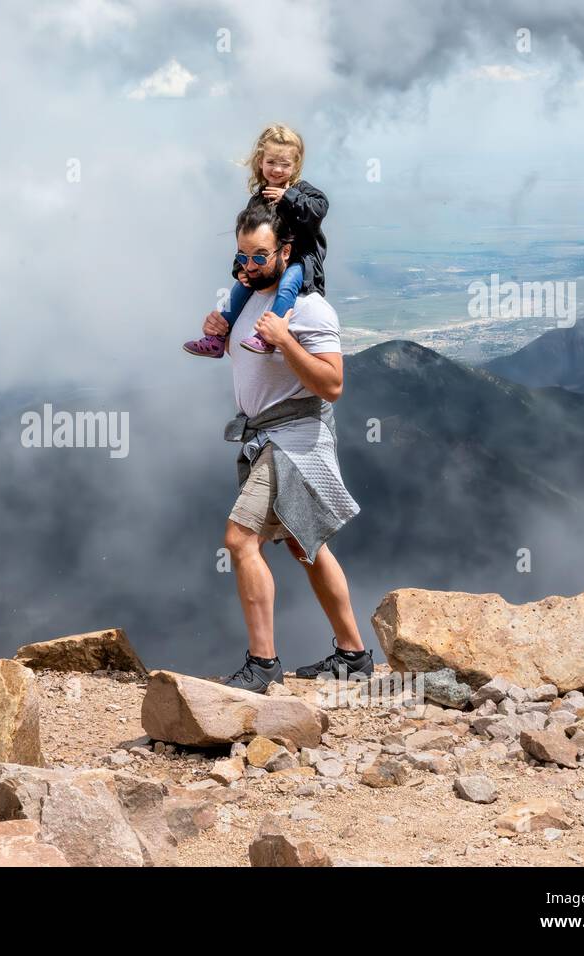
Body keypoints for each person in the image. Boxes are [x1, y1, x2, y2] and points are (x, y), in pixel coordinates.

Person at [200, 204, 374, 692]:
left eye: (260, 257)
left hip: (295, 438)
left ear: (286, 251)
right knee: (303, 542)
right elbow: (253, 367)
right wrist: (220, 331)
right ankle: (354, 654)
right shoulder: (250, 300)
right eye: (242, 257)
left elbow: (333, 384)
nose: (248, 267)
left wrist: (285, 340)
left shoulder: (309, 307)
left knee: (240, 541)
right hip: (265, 435)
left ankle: (263, 663)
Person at [184, 124, 328, 358]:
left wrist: (289, 197)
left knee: (288, 285)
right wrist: (240, 269)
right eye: (271, 162)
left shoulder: (304, 192)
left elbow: (319, 210)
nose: (278, 169)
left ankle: (267, 337)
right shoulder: (258, 199)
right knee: (241, 287)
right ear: (260, 162)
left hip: (301, 260)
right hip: (266, 260)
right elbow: (247, 238)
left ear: (296, 165)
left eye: (285, 164)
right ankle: (216, 338)